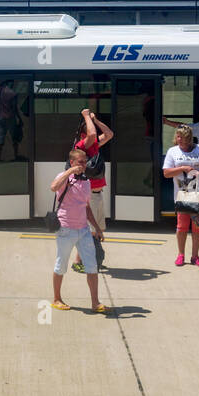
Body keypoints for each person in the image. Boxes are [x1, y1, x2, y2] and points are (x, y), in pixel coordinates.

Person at [48, 148, 107, 314]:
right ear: (72, 162)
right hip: (65, 229)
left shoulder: (86, 181)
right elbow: (53, 188)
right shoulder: (64, 177)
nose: (83, 165)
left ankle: (95, 302)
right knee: (61, 265)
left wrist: (96, 228)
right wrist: (69, 172)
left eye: (84, 162)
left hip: (83, 230)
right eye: (80, 162)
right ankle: (56, 299)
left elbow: (86, 207)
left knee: (92, 266)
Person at [162, 124, 199, 267]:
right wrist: (183, 168)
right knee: (181, 226)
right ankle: (180, 254)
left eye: (184, 138)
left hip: (198, 195)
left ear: (190, 138)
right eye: (178, 137)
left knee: (198, 227)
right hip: (182, 196)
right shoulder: (172, 151)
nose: (181, 140)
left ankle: (195, 256)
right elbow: (166, 173)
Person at [71, 108, 113, 272]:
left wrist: (95, 120)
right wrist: (86, 116)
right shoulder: (82, 145)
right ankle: (79, 261)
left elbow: (109, 134)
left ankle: (86, 259)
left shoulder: (93, 145)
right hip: (90, 196)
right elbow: (93, 135)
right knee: (88, 231)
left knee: (97, 230)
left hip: (98, 194)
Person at [0, 80, 23, 162]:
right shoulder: (13, 93)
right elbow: (14, 108)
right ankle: (16, 156)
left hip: (1, 118)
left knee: (0, 140)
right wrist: (19, 118)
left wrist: (1, 85)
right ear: (11, 84)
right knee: (14, 139)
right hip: (11, 118)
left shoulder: (0, 90)